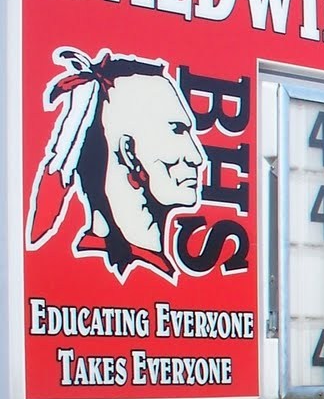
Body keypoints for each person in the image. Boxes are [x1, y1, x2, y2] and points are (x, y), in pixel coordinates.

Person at [27, 48, 207, 279]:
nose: (197, 157)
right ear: (128, 152)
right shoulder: (95, 271)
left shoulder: (153, 271)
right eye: (177, 130)